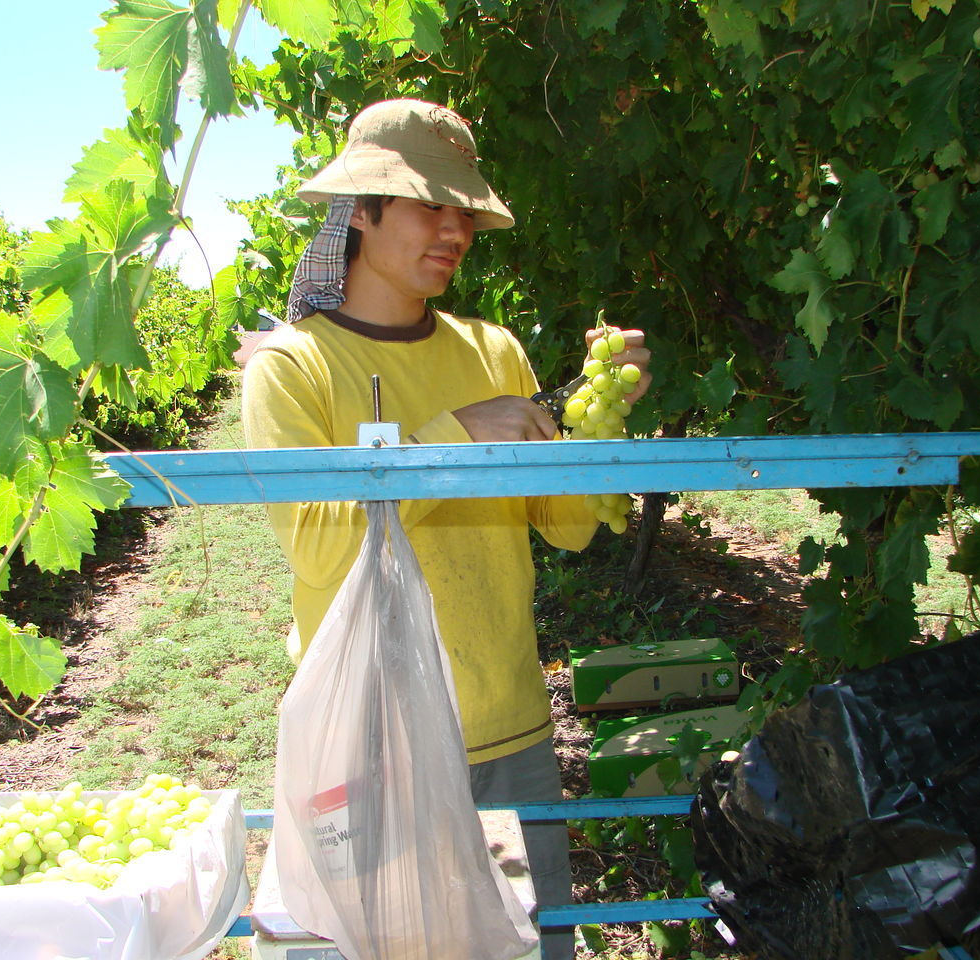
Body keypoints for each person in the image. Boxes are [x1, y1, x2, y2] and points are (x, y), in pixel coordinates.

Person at [241, 98, 651, 960]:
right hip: (373, 744)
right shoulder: (296, 367)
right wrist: (456, 436)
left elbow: (568, 529)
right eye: (430, 204)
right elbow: (317, 544)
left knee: (533, 946)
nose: (455, 227)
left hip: (511, 728)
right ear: (361, 211)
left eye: (465, 210)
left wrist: (603, 422)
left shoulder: (494, 351)